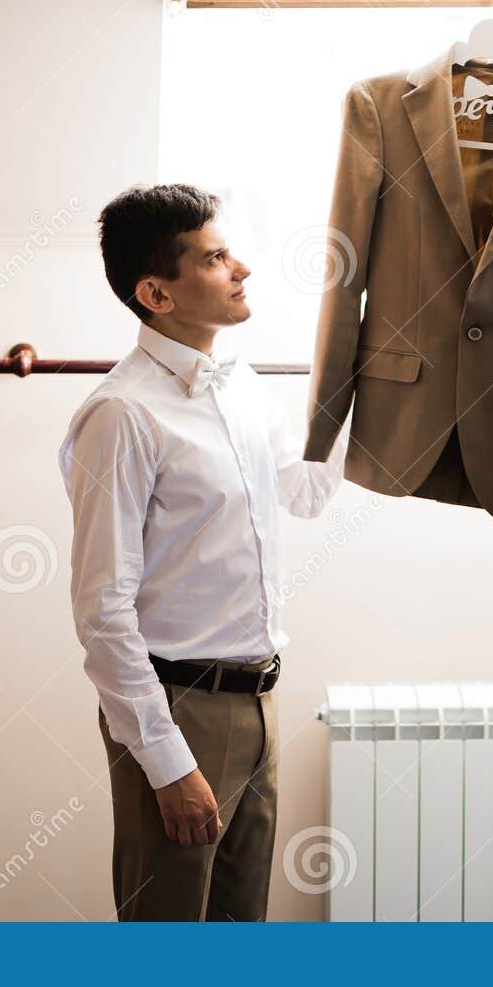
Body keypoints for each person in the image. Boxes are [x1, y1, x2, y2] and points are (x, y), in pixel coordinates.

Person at [56, 183, 349, 920]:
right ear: (156, 294)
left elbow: (306, 491)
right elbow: (101, 610)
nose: (241, 268)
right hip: (177, 712)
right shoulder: (121, 414)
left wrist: (369, 384)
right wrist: (166, 762)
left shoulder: (240, 384)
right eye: (216, 258)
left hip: (260, 704)